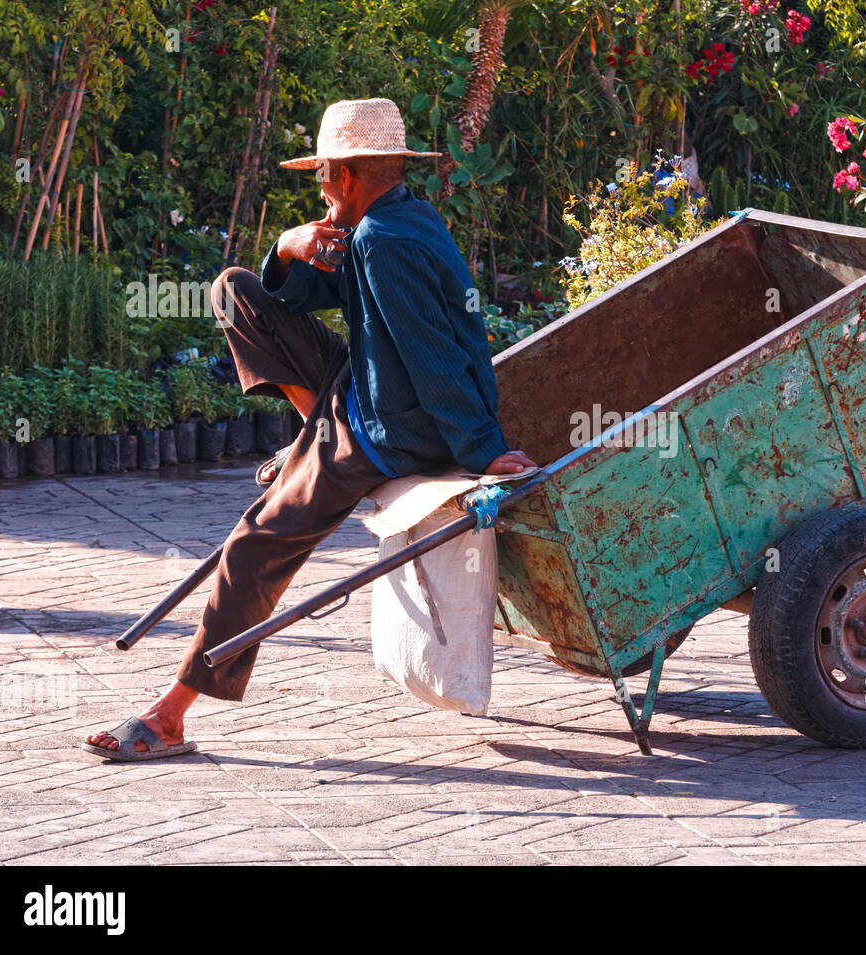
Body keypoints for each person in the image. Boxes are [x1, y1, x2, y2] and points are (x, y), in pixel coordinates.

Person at [83, 98, 535, 760]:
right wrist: (287, 247)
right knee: (235, 289)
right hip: (364, 388)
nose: (320, 190)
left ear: (345, 176)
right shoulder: (393, 219)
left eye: (323, 176)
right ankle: (311, 432)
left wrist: (483, 452)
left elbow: (434, 360)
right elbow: (302, 297)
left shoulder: (384, 241)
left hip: (388, 432)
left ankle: (169, 715)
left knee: (254, 544)